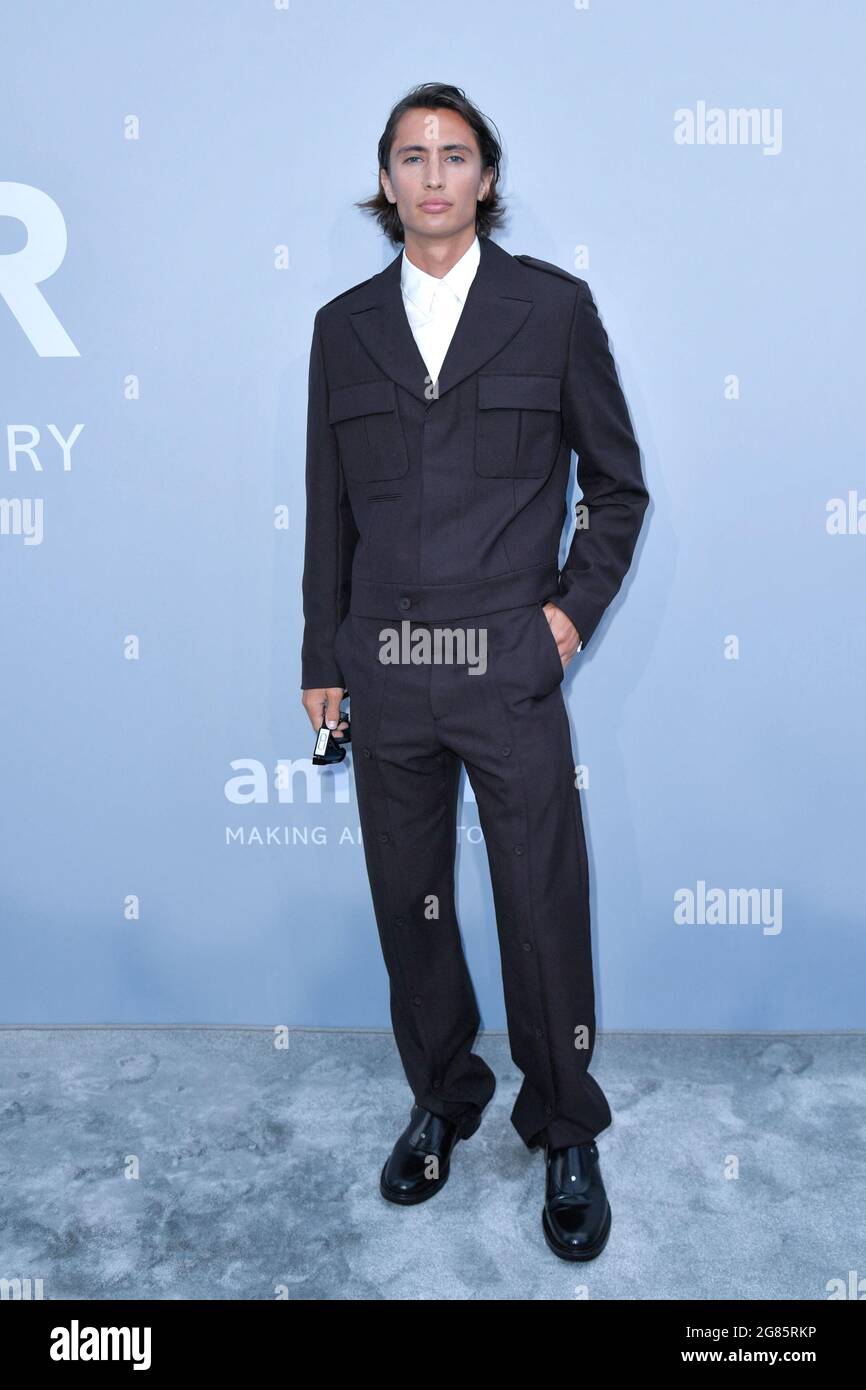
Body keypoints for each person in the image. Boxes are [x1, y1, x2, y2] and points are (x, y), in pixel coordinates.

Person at [300, 82, 649, 1262]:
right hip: (384, 667)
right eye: (412, 156)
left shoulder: (551, 309)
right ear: (386, 182)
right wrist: (321, 655)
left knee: (540, 903)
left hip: (507, 659)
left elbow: (617, 487)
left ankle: (562, 1127)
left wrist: (563, 620)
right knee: (413, 906)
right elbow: (327, 512)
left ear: (485, 180)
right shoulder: (341, 325)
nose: (434, 175)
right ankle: (443, 1096)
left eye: (455, 156)